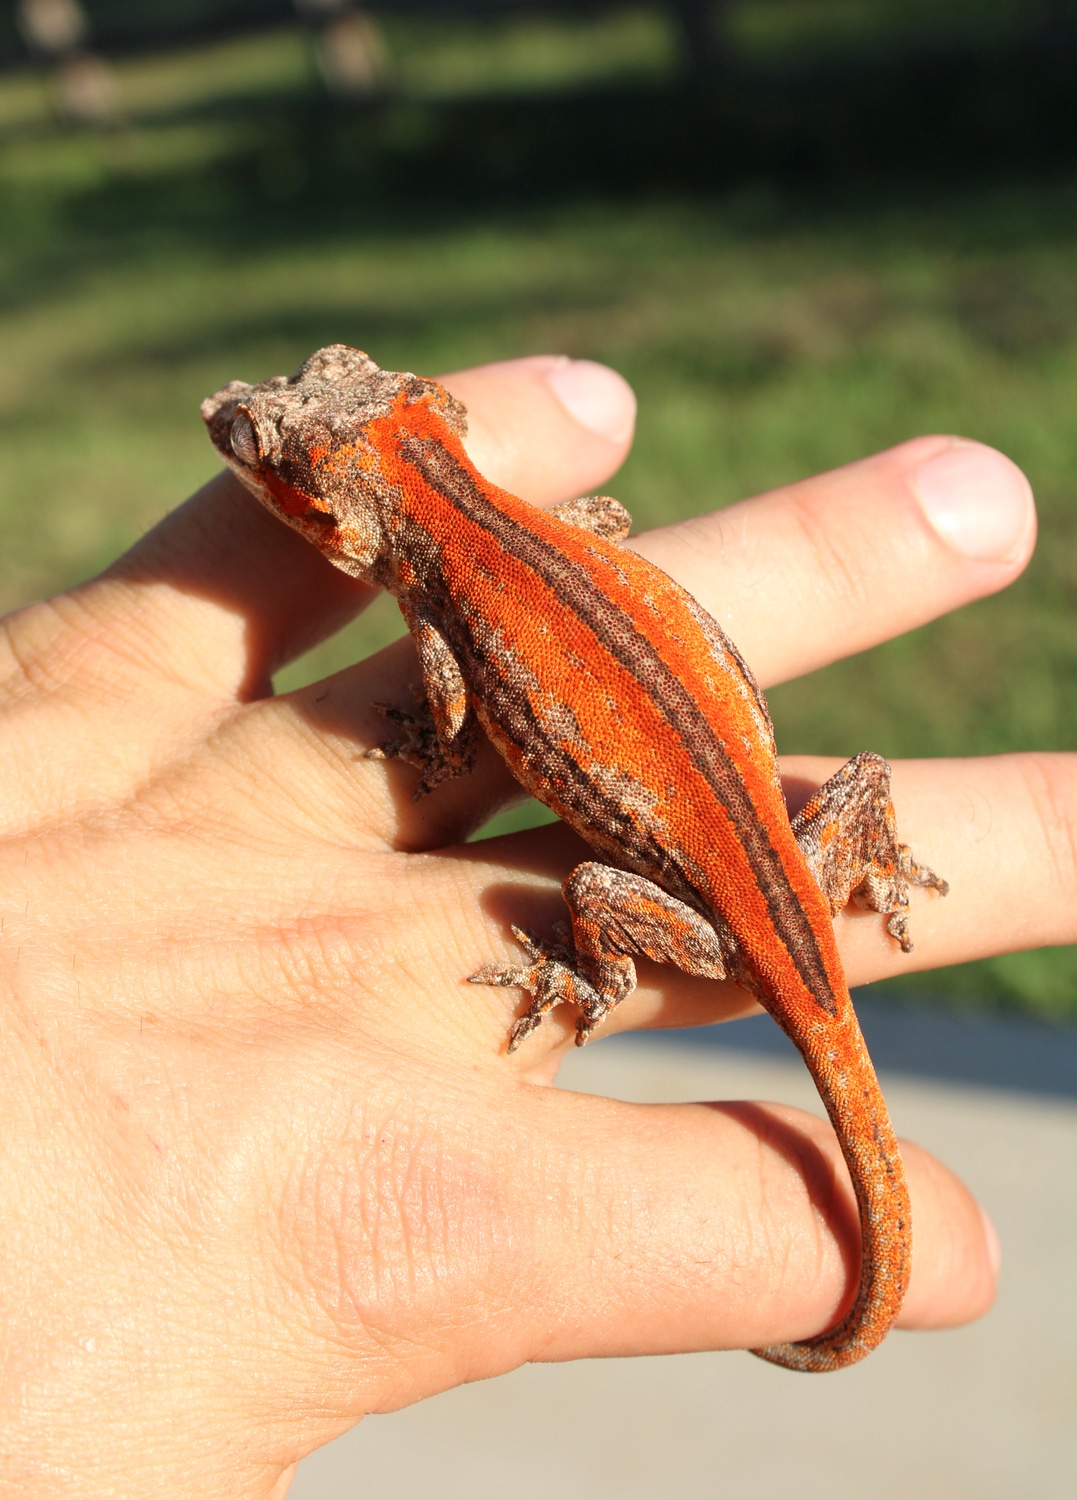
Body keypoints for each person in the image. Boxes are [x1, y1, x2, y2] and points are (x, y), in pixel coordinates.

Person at [2, 351, 1045, 1496]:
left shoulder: (437, 595)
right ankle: (876, 851)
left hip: (720, 929)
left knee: (597, 898)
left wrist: (437, 761)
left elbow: (448, 715)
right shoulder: (554, 523)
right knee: (848, 782)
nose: (230, 422)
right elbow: (590, 534)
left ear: (341, 519)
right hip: (804, 851)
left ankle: (588, 983)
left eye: (264, 454)